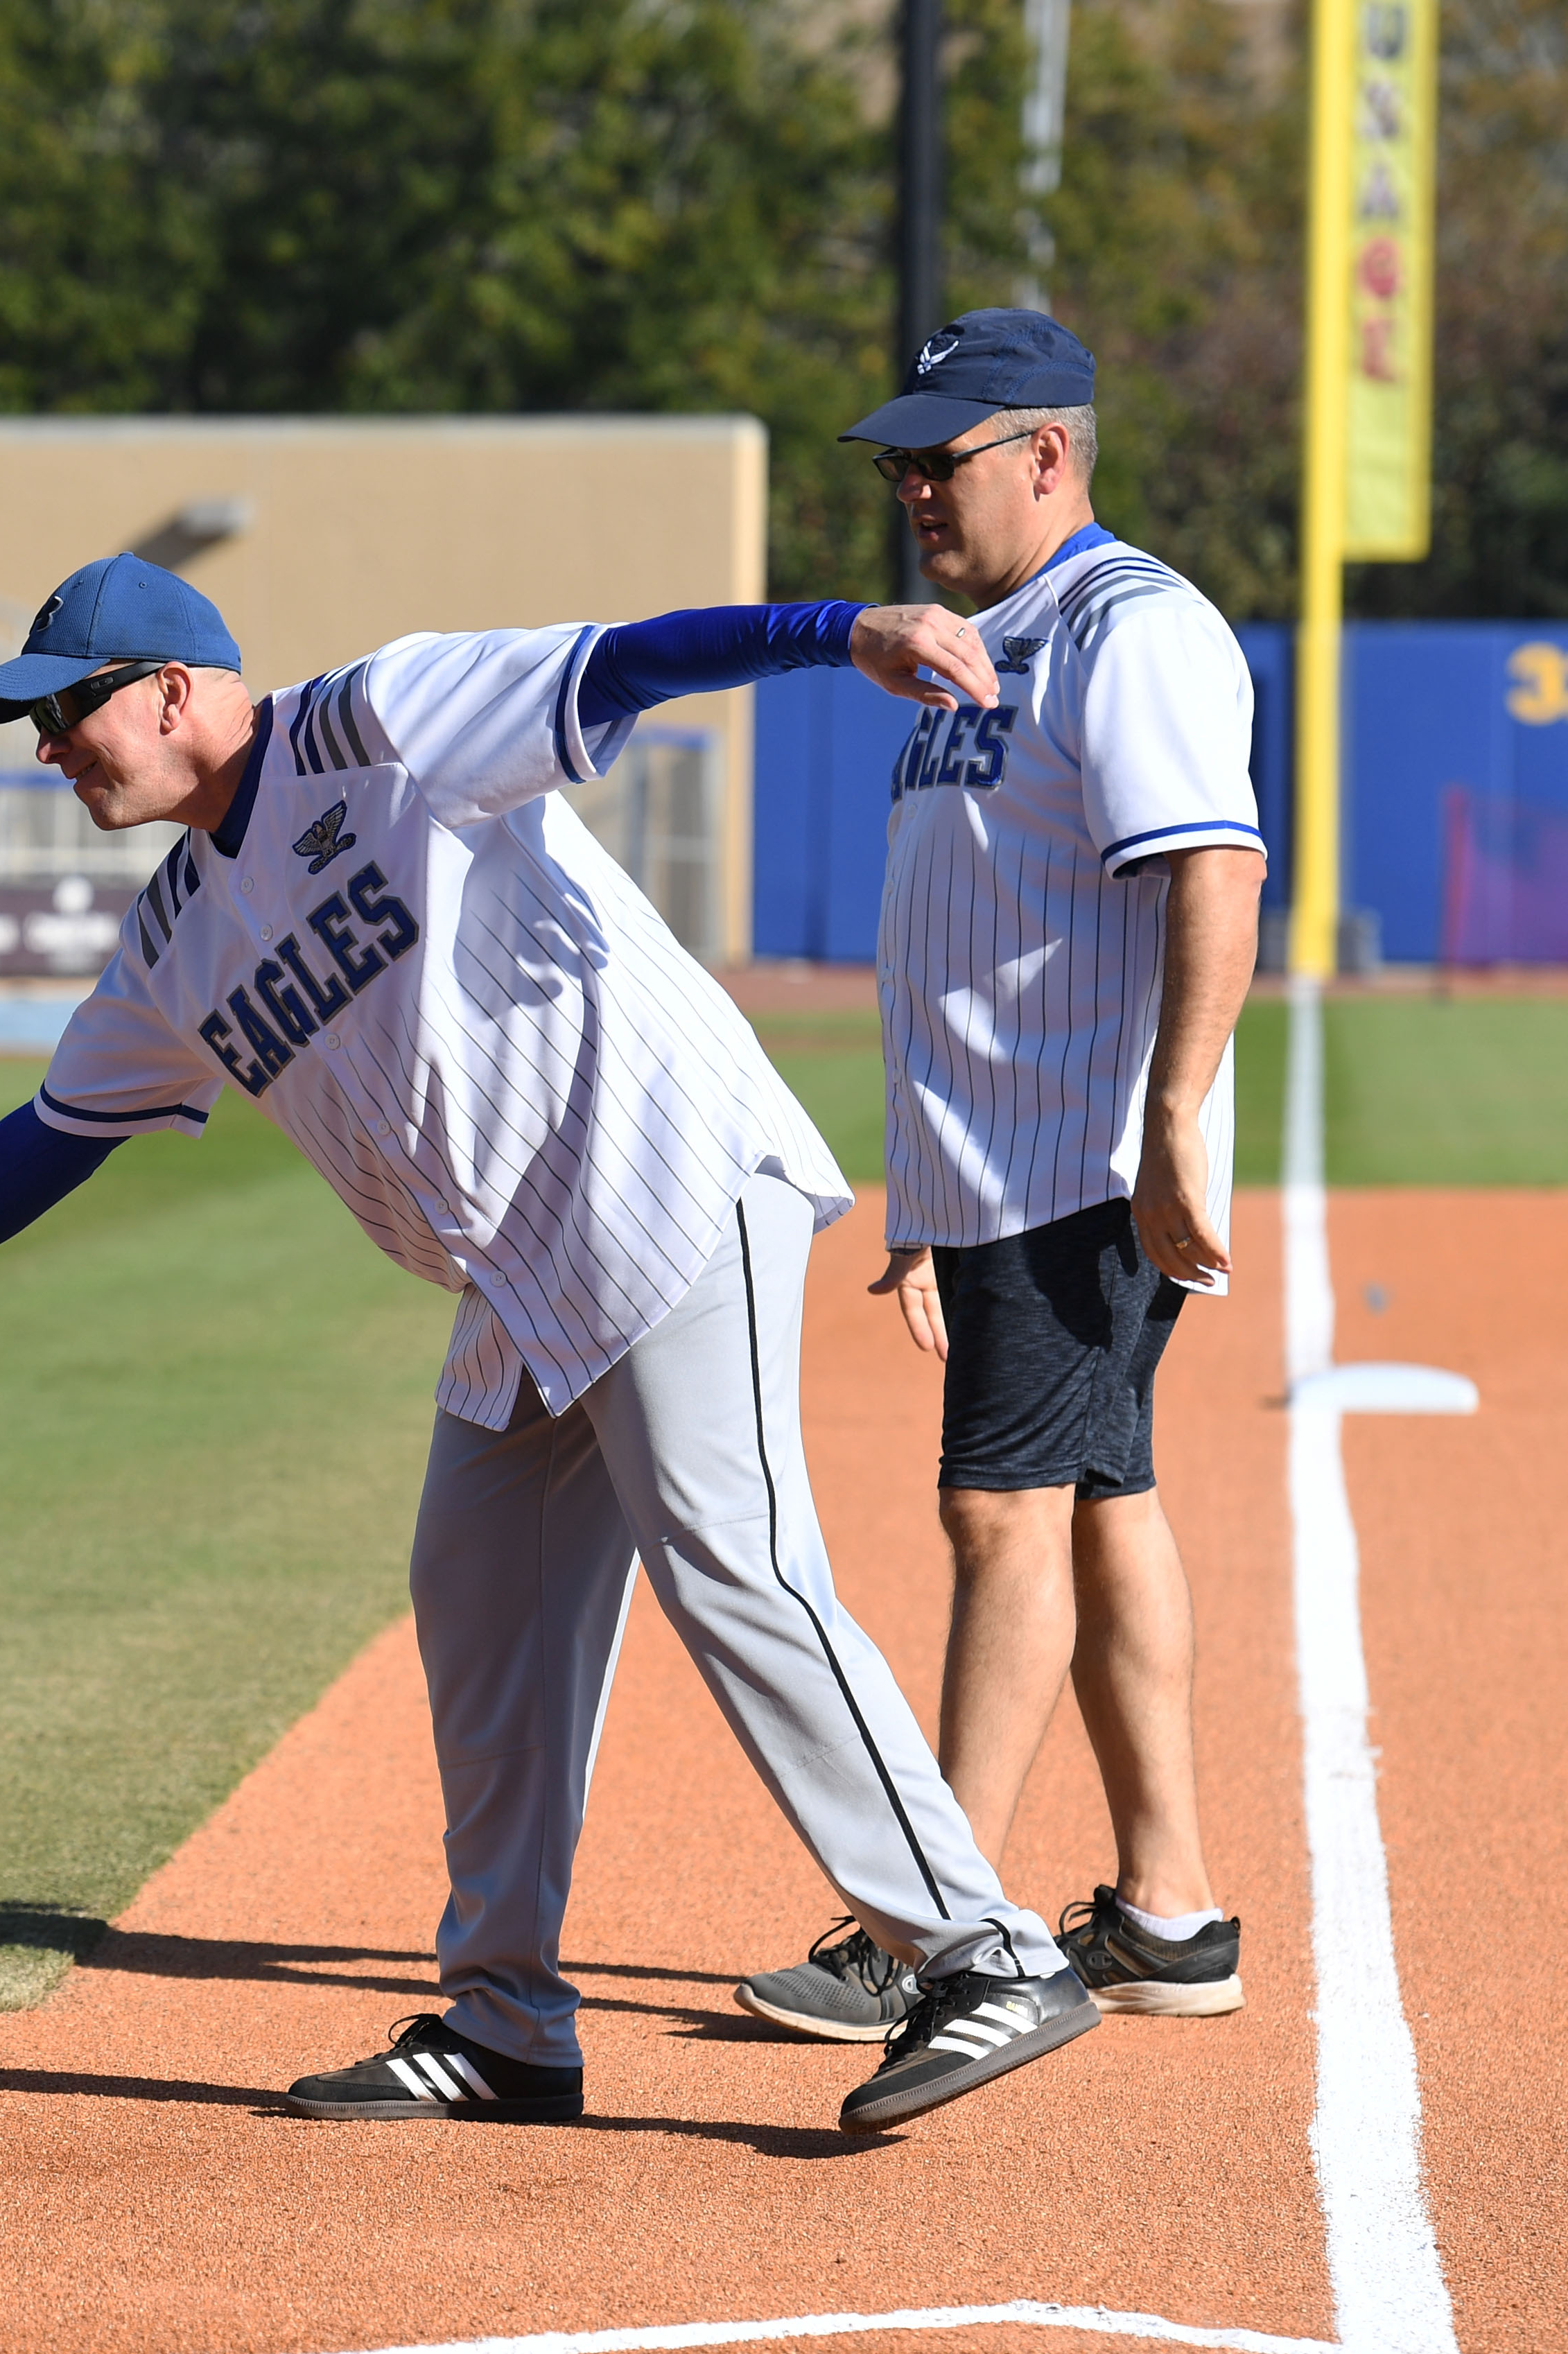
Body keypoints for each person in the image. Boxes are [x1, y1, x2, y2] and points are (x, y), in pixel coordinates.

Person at [0, 552, 1092, 2134]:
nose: (50, 750)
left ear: (174, 691)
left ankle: (986, 1950)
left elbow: (621, 661)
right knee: (479, 1596)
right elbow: (54, 1133)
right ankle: (509, 2026)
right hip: (518, 1286)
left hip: (657, 1181)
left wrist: (841, 632)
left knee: (735, 1562)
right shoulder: (175, 939)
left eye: (70, 712)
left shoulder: (378, 722)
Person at [734, 312, 1264, 2046]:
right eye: (897, 462)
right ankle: (1169, 1911)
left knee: (1000, 1512)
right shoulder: (986, 643)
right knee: (1099, 1503)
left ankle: (932, 1928)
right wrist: (921, 1205)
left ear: (1047, 452)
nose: (909, 489)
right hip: (997, 1174)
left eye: (938, 457)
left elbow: (1210, 865)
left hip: (1080, 1170)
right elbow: (963, 930)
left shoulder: (1132, 627)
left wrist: (1178, 1113)